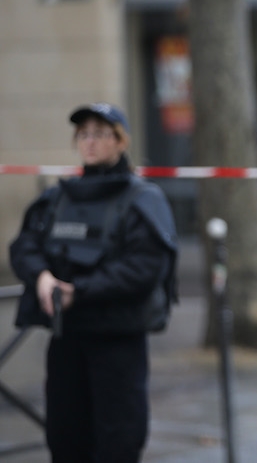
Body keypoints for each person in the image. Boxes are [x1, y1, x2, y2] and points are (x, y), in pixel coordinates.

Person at [9, 103, 178, 463]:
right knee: (65, 437)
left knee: (118, 440)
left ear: (121, 142)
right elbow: (24, 246)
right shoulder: (57, 199)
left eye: (101, 133)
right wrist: (41, 277)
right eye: (84, 134)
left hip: (117, 341)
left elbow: (145, 266)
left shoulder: (142, 200)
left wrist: (79, 292)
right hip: (66, 338)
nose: (91, 142)